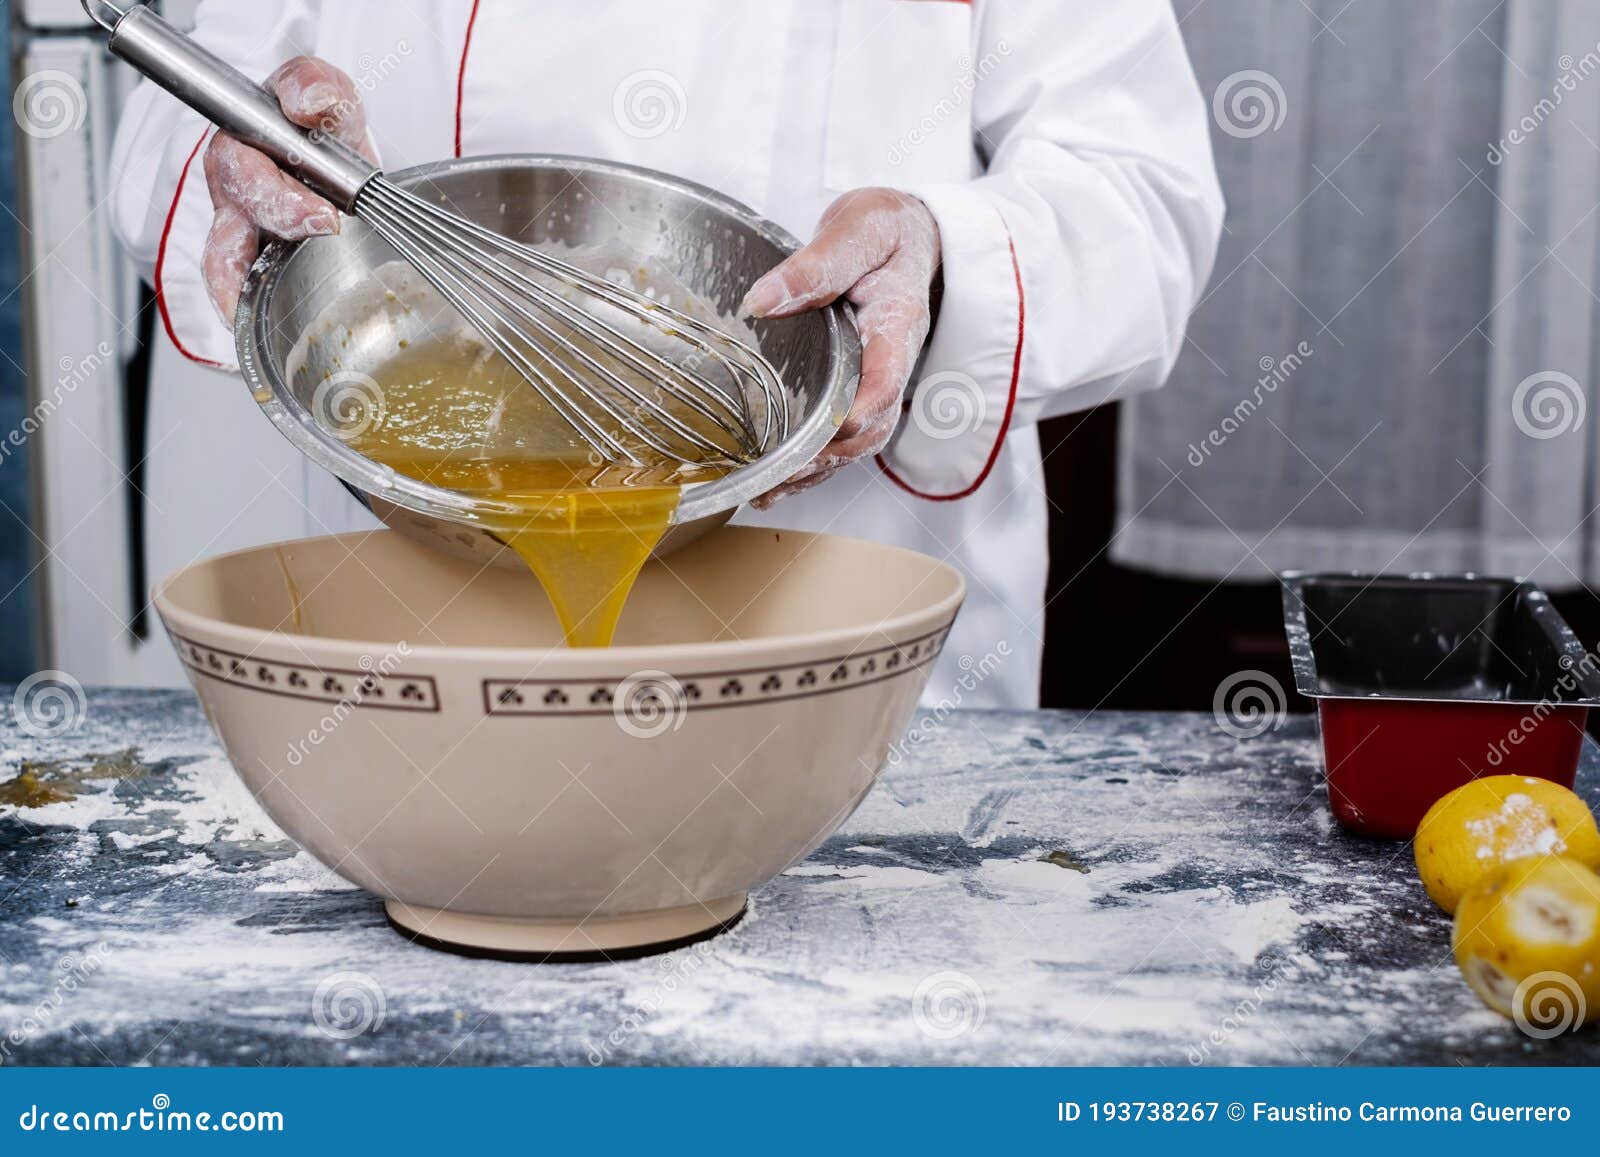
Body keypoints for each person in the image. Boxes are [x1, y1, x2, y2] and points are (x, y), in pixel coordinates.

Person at [111, 1, 1223, 707]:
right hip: (403, 652)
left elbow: (1142, 195)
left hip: (835, 673)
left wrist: (941, 262)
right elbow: (187, 100)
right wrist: (228, 156)